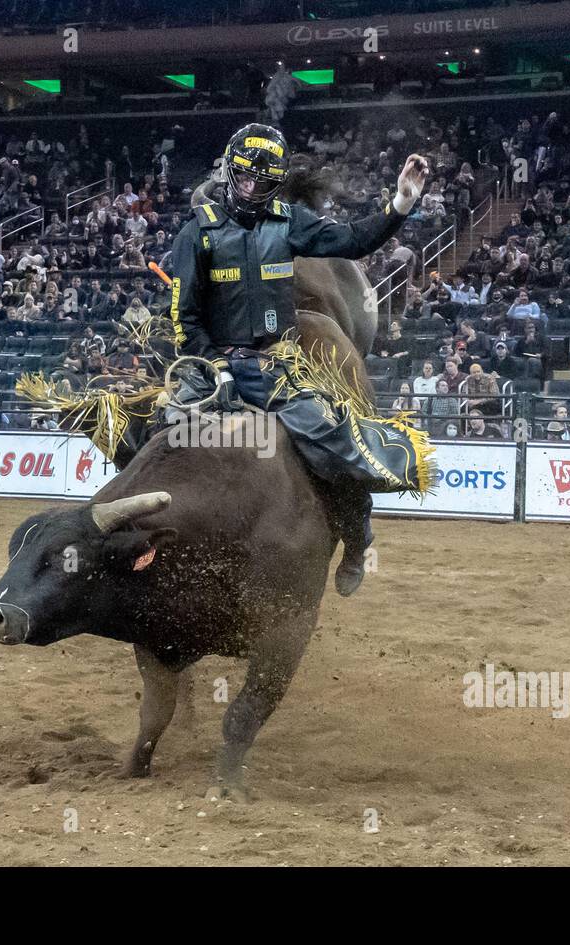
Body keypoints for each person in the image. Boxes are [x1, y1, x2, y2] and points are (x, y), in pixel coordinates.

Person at [170, 122, 432, 596]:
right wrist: (215, 366)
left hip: (274, 366)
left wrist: (402, 204)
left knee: (333, 439)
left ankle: (357, 532)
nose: (252, 189)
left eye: (264, 182)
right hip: (213, 367)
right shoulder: (196, 235)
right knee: (155, 434)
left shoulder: (288, 222)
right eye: (246, 178)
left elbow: (353, 240)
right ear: (231, 172)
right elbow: (183, 317)